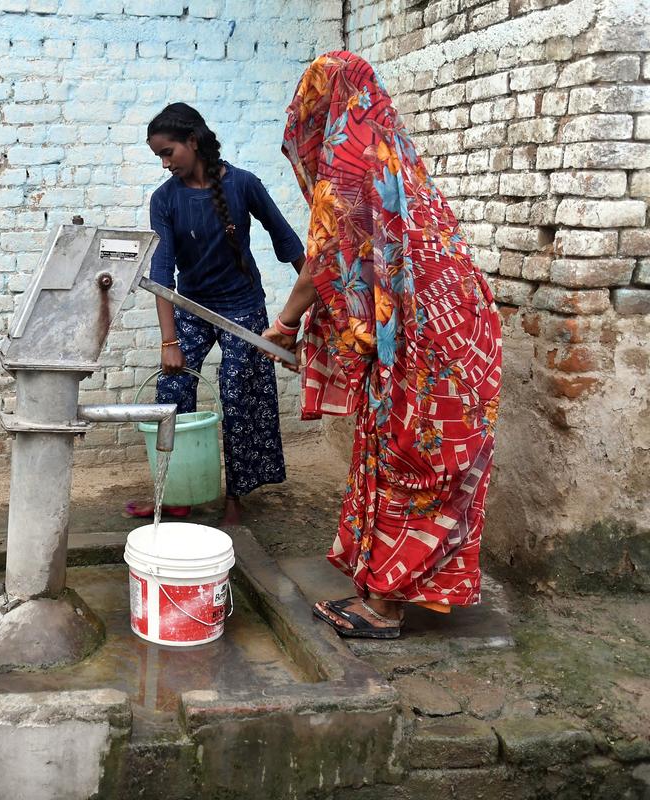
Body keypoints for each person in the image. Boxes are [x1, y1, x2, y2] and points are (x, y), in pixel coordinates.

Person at [262, 52, 503, 638]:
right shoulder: (397, 155)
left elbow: (323, 259)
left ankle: (385, 608)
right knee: (424, 463)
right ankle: (391, 588)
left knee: (402, 460)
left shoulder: (346, 163)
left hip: (418, 344)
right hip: (465, 333)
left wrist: (287, 324)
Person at [127, 102, 306, 527]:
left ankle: (236, 497)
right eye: (159, 157)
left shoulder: (244, 184)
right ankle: (175, 492)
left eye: (169, 152)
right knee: (171, 392)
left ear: (193, 141)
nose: (165, 163)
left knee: (240, 396)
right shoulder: (164, 200)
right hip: (191, 308)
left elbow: (289, 243)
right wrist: (169, 343)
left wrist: (322, 304)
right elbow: (160, 274)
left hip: (243, 306)